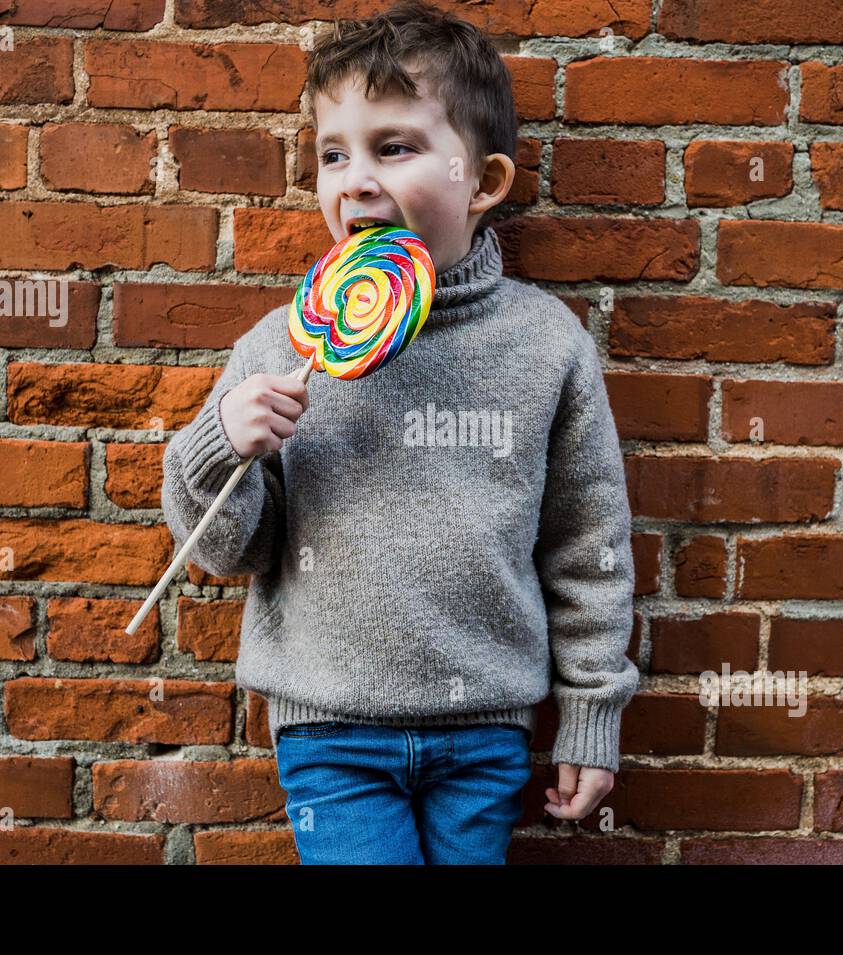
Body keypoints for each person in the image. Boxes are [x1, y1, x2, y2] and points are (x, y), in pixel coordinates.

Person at [160, 0, 639, 864]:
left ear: (484, 183)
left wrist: (591, 713)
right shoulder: (281, 345)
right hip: (331, 729)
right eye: (333, 154)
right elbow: (230, 549)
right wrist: (220, 445)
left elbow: (588, 543)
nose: (356, 179)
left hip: (487, 730)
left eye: (395, 147)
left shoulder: (544, 346)